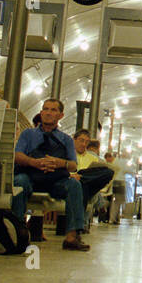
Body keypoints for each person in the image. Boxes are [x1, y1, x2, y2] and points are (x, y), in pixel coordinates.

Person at [14, 98, 88, 251]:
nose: (48, 113)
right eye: (45, 109)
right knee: (19, 181)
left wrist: (58, 162)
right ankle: (16, 230)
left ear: (60, 115)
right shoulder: (28, 134)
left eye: (53, 110)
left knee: (74, 184)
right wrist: (34, 162)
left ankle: (72, 237)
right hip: (31, 177)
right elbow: (17, 155)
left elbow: (73, 165)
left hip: (55, 181)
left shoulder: (66, 140)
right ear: (41, 112)